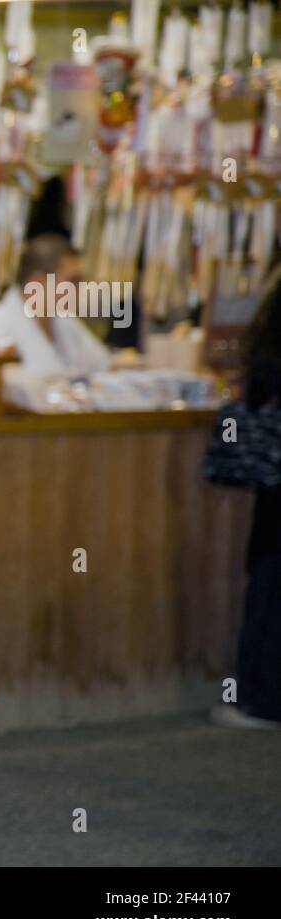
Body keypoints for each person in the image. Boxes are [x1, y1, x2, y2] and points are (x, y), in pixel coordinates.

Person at [211, 265, 281, 730]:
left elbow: (258, 388)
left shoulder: (271, 336)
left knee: (270, 578)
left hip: (275, 481)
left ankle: (262, 699)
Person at [0, 233, 112, 375]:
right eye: (72, 281)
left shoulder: (66, 323)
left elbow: (103, 365)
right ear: (37, 282)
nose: (80, 289)